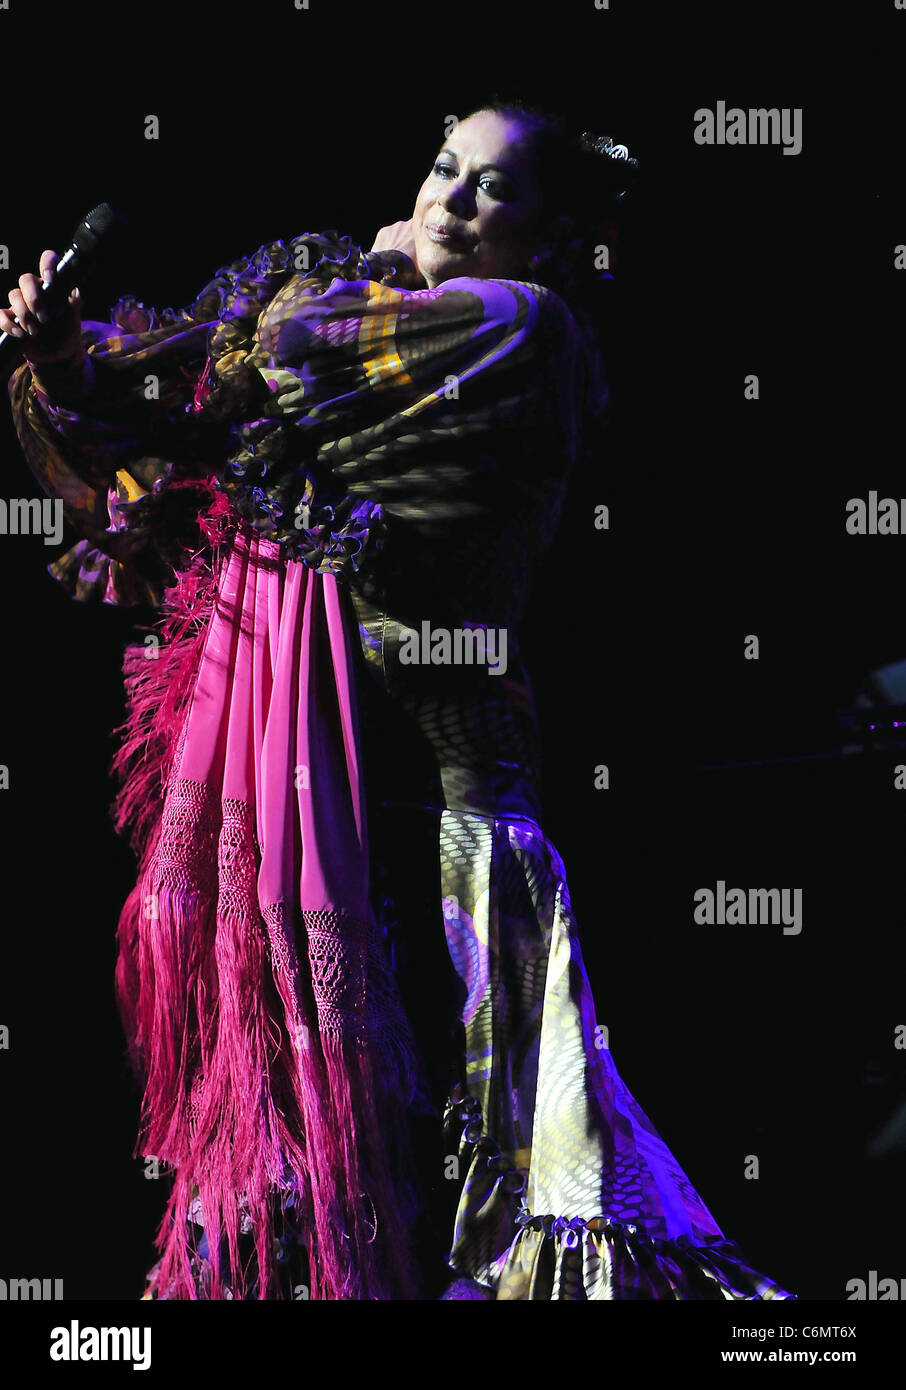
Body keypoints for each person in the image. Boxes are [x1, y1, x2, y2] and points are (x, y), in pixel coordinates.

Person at [4, 98, 796, 1301]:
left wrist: (349, 264)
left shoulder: (522, 329)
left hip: (441, 818)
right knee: (289, 1175)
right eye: (443, 168)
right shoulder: (362, 305)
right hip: (324, 789)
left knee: (474, 1184)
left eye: (496, 189)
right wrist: (69, 353)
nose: (453, 200)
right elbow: (172, 437)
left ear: (553, 235)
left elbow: (284, 355)